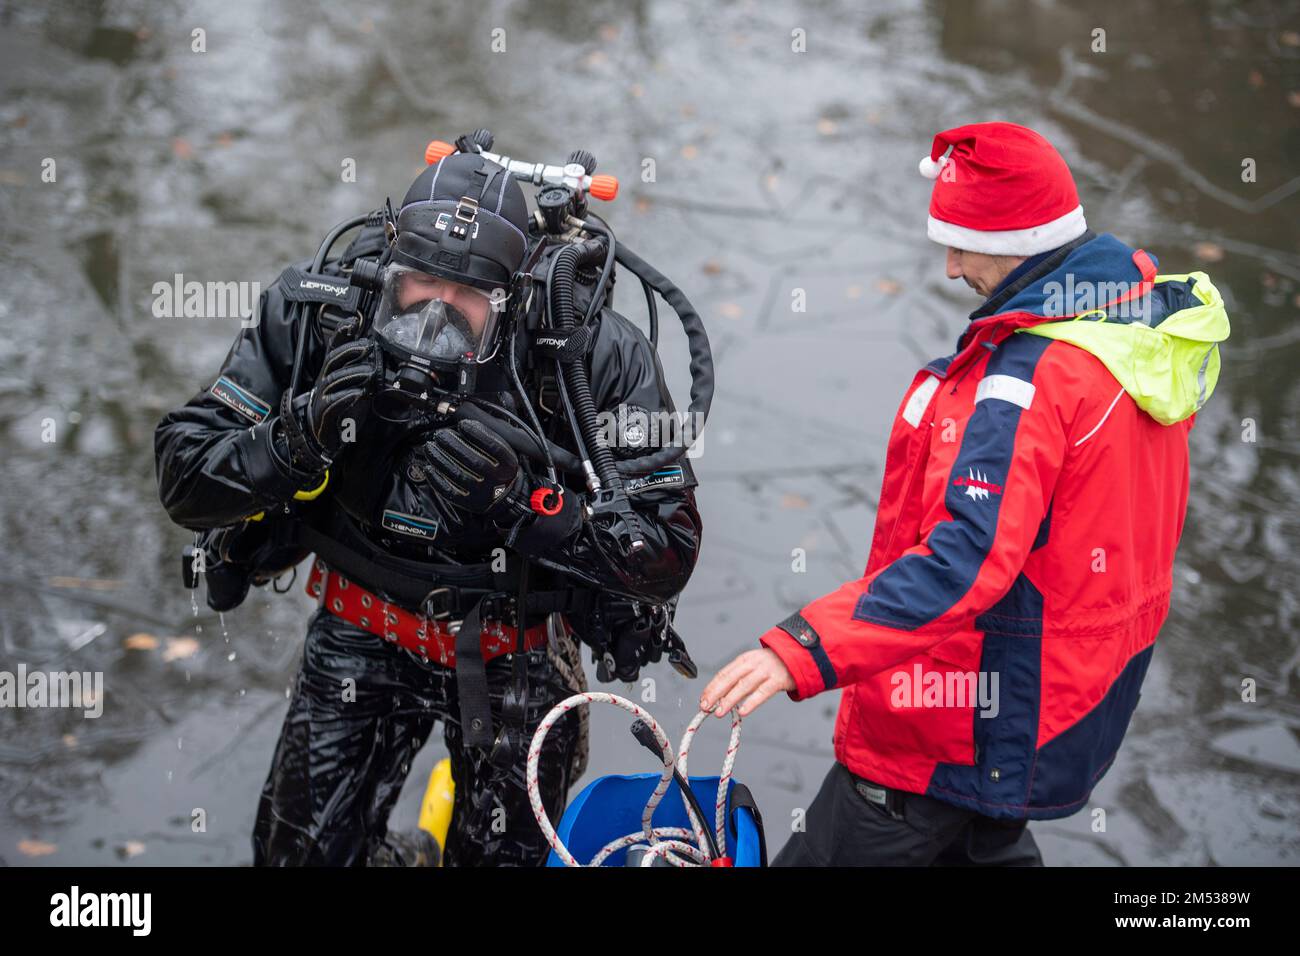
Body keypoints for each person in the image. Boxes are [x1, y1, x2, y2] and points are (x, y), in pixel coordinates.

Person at [155, 145, 703, 866]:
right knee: (296, 858)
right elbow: (184, 473)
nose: (438, 314)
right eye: (420, 285)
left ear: (516, 296)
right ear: (388, 268)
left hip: (519, 648)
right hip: (361, 624)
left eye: (469, 299)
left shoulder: (587, 354)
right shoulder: (322, 317)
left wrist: (526, 510)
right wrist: (299, 435)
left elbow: (667, 550)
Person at [700, 121, 1229, 866]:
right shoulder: (1132, 339)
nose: (950, 268)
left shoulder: (1033, 378)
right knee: (984, 836)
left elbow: (965, 559)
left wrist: (805, 649)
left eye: (961, 243)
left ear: (1022, 242)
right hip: (1058, 708)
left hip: (950, 725)